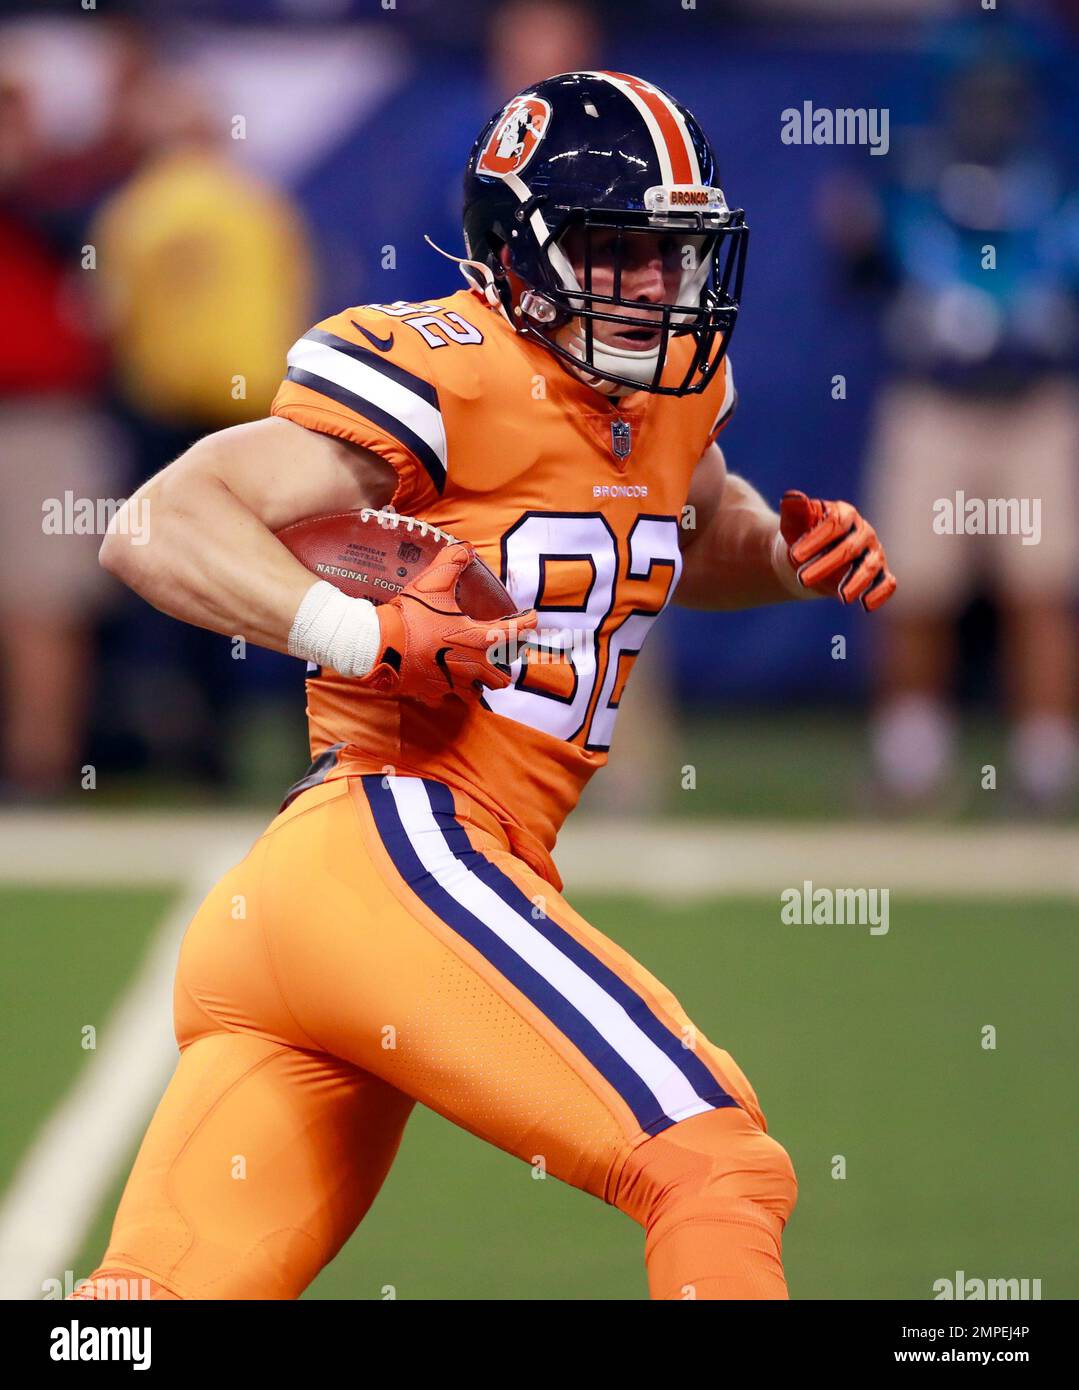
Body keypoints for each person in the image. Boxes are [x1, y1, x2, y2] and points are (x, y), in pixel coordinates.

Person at [77, 71, 894, 1301]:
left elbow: (680, 530)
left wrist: (785, 557)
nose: (654, 286)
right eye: (616, 250)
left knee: (145, 1309)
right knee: (715, 1163)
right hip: (398, 836)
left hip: (341, 911)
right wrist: (357, 633)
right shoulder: (440, 368)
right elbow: (156, 521)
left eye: (671, 254)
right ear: (520, 253)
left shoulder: (665, 402)